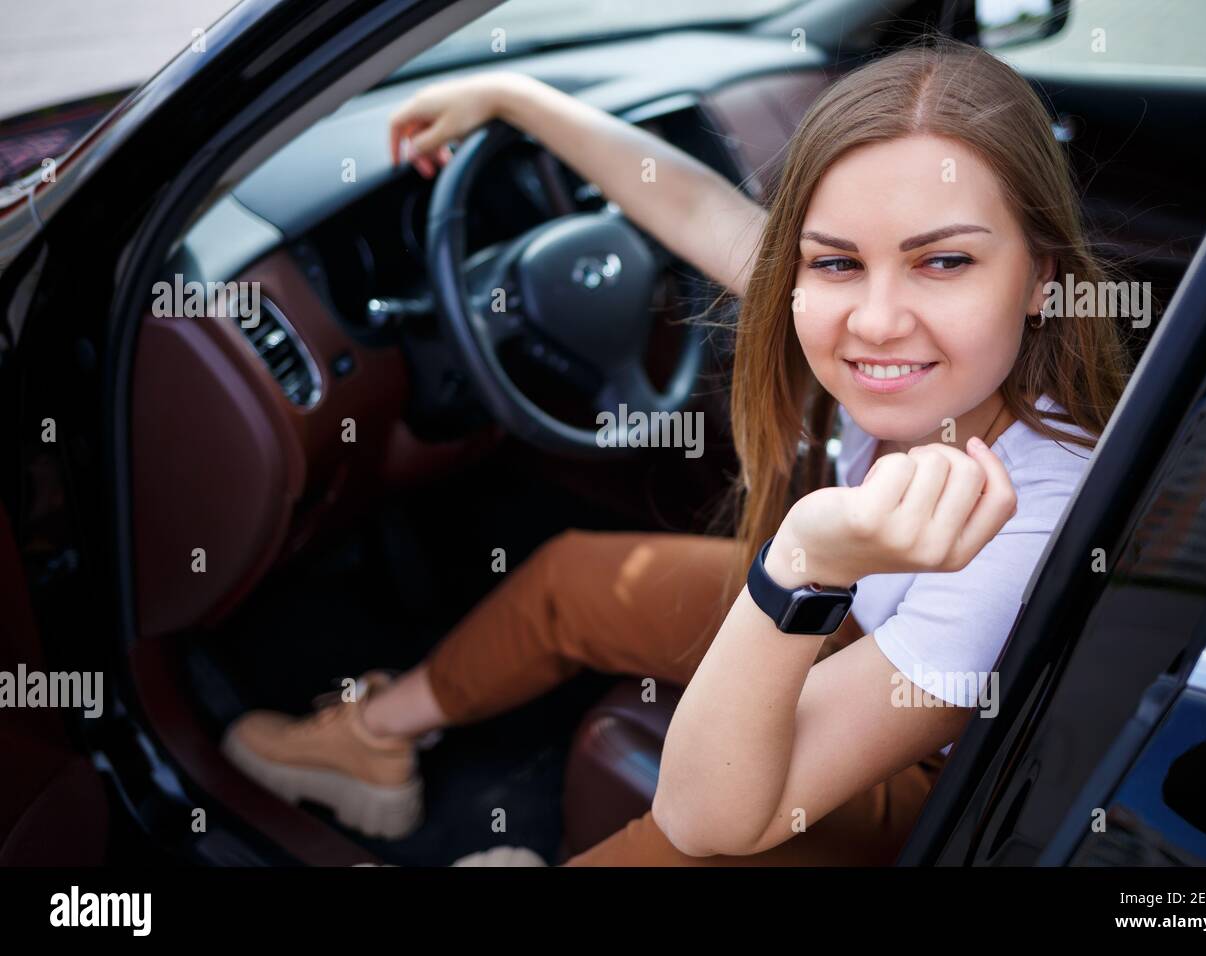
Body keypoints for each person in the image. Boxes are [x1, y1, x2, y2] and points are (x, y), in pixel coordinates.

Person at [221, 36, 1132, 865]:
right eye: (836, 261)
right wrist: (519, 96)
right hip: (870, 619)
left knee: (682, 845)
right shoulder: (889, 350)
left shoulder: (1034, 522)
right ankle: (372, 741)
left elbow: (712, 816)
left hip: (945, 776)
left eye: (944, 262)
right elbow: (692, 204)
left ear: (1043, 277)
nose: (877, 321)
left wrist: (804, 563)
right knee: (573, 580)